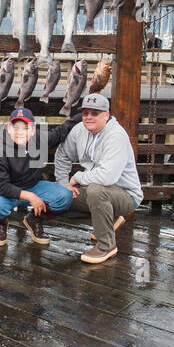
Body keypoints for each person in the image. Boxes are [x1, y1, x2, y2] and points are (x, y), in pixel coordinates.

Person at [54, 93, 144, 264]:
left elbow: (107, 176)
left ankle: (106, 246)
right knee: (58, 197)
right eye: (86, 113)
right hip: (96, 189)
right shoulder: (79, 129)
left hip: (126, 195)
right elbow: (63, 154)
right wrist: (63, 184)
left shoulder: (116, 135)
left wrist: (77, 177)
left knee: (96, 191)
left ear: (106, 115)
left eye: (95, 113)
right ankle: (109, 220)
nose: (89, 117)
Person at [0, 107, 79, 247]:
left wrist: (85, 114)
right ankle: (0, 224)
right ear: (9, 129)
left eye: (25, 127)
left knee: (65, 196)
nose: (20, 132)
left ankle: (34, 220)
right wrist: (30, 197)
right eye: (16, 127)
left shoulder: (39, 139)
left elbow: (61, 131)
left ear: (33, 130)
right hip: (8, 192)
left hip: (34, 186)